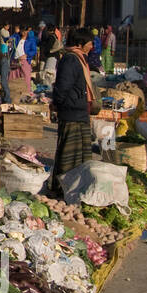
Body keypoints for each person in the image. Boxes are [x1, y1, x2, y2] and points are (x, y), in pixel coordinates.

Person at [48, 29, 96, 197]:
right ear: (80, 44)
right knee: (69, 155)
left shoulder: (80, 59)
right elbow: (62, 87)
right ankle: (63, 188)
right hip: (72, 112)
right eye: (90, 43)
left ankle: (76, 187)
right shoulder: (70, 60)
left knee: (80, 154)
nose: (92, 46)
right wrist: (60, 104)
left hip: (79, 111)